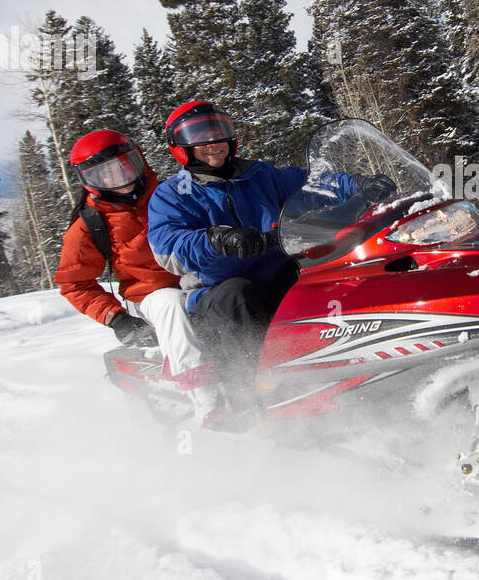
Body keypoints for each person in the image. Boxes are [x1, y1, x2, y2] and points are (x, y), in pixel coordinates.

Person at [147, 101, 393, 392]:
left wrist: (358, 184)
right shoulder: (174, 193)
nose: (213, 143)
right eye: (199, 137)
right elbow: (169, 245)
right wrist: (217, 240)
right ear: (181, 146)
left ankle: (354, 362)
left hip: (280, 267)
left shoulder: (259, 174)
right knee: (240, 295)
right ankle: (252, 393)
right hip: (215, 289)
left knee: (330, 276)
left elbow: (312, 184)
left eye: (218, 132)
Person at [54, 129, 219, 422]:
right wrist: (115, 317)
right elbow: (74, 282)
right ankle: (206, 400)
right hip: (149, 297)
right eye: (104, 174)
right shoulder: (91, 223)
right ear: (88, 181)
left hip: (199, 279)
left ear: (138, 159)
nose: (118, 177)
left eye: (124, 164)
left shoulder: (170, 192)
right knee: (170, 303)